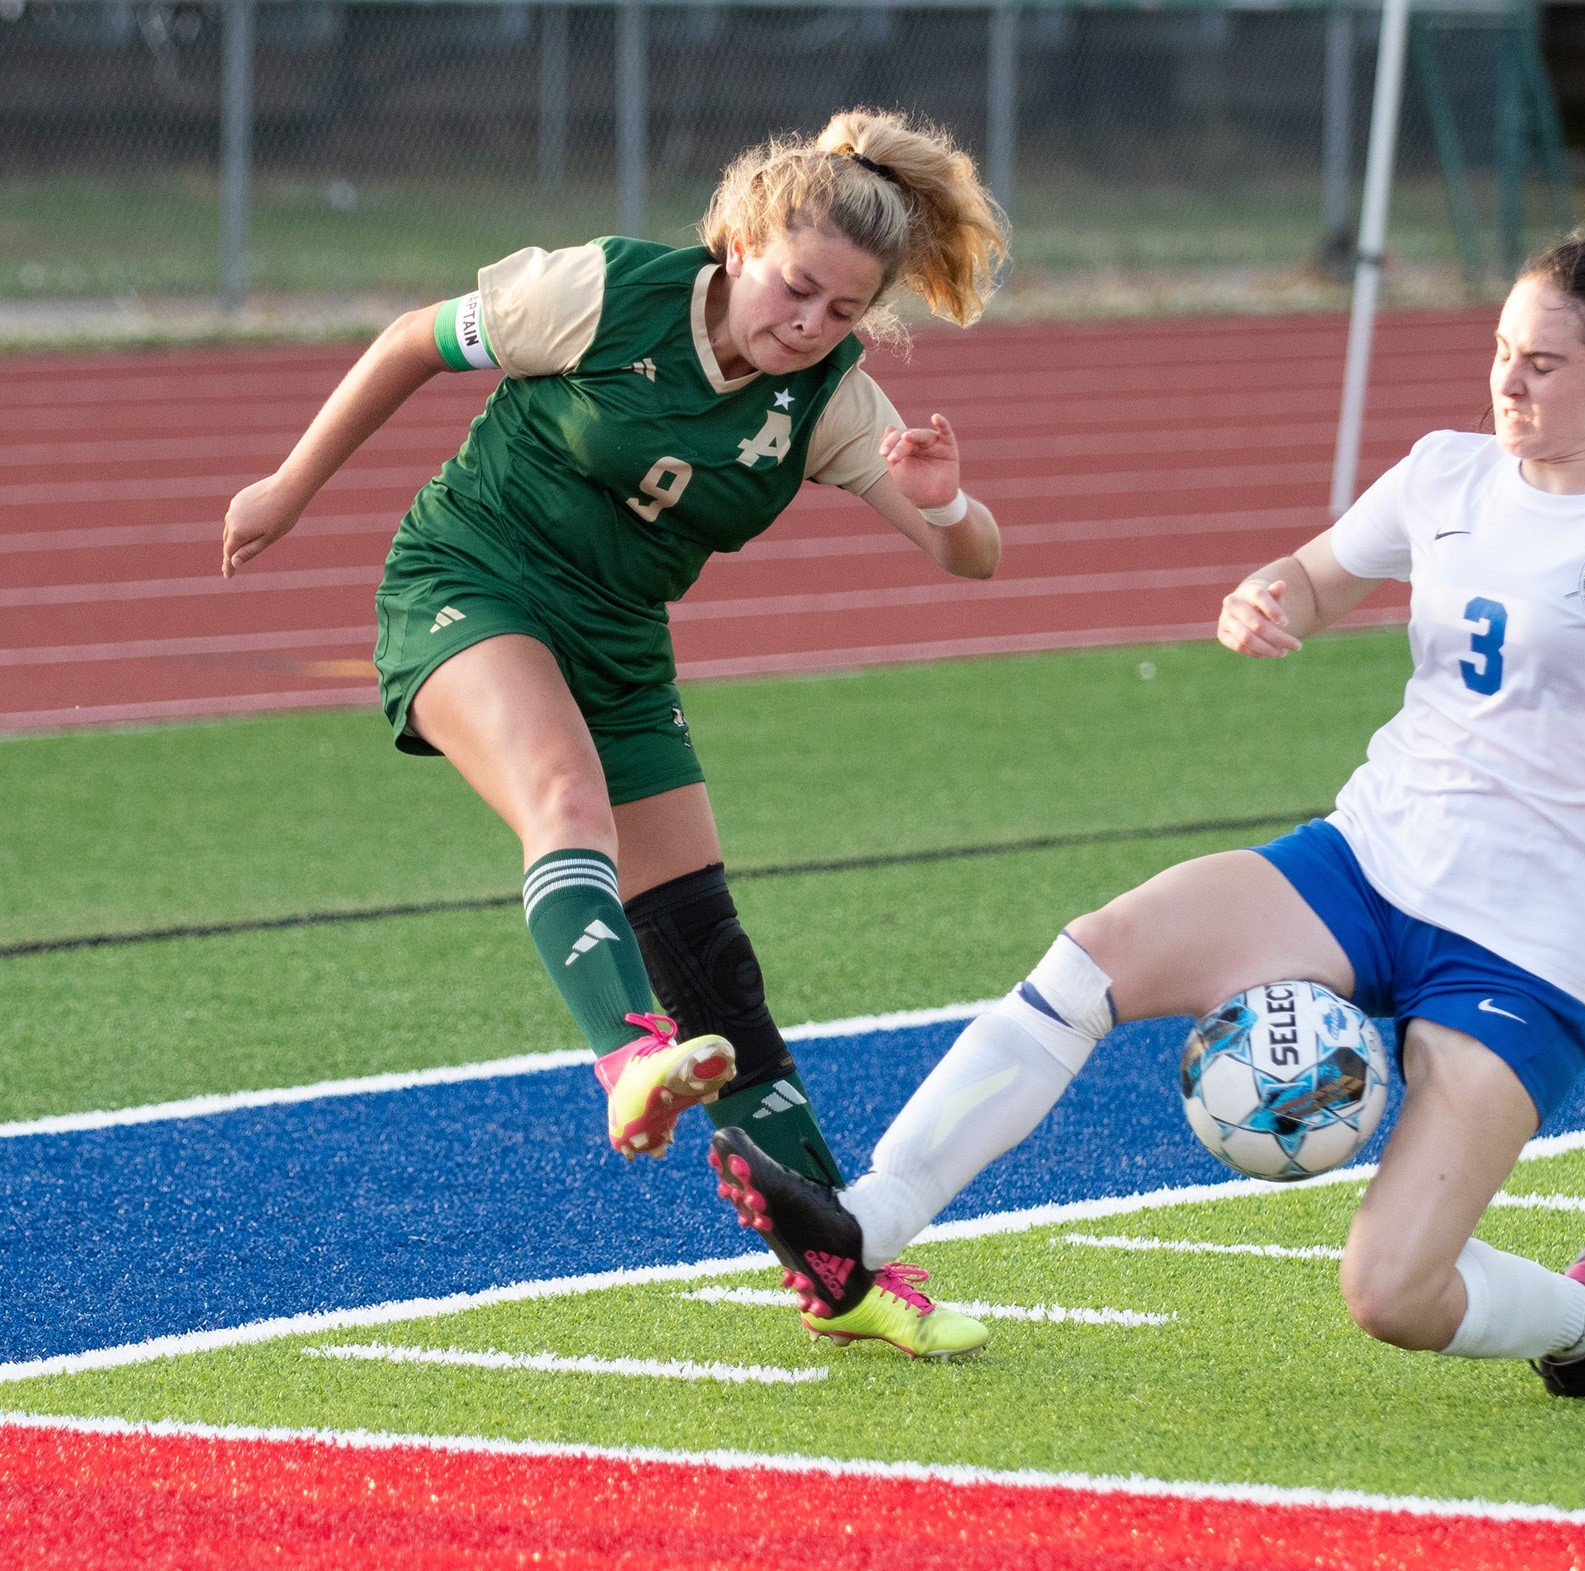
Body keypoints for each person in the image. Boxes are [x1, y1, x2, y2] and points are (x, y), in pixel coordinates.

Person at [711, 198, 1585, 1395]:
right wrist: (1265, 596)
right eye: (1499, 350)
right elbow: (1318, 575)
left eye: (1541, 365)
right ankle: (864, 1228)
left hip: (1526, 945)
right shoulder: (1446, 472)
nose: (1507, 382)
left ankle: (1579, 1316)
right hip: (1371, 861)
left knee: (1390, 1293)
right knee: (1095, 953)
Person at [220, 108, 1009, 1359]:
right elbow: (408, 343)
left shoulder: (828, 401)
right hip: (470, 577)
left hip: (619, 642)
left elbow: (972, 559)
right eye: (797, 289)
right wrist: (288, 486)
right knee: (564, 802)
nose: (808, 325)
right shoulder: (600, 292)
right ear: (740, 240)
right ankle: (627, 1054)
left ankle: (840, 1268)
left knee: (715, 965)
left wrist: (943, 499)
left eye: (842, 313)